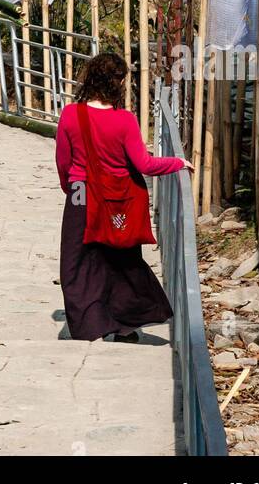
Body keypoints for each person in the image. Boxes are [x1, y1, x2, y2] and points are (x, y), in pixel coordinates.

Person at [55, 51, 193, 343]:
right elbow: (144, 165)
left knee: (77, 264)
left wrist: (72, 191)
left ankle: (91, 325)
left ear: (90, 78)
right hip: (118, 202)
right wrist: (177, 163)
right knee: (121, 261)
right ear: (117, 83)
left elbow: (63, 163)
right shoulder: (125, 121)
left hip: (81, 196)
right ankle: (125, 326)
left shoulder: (70, 113)